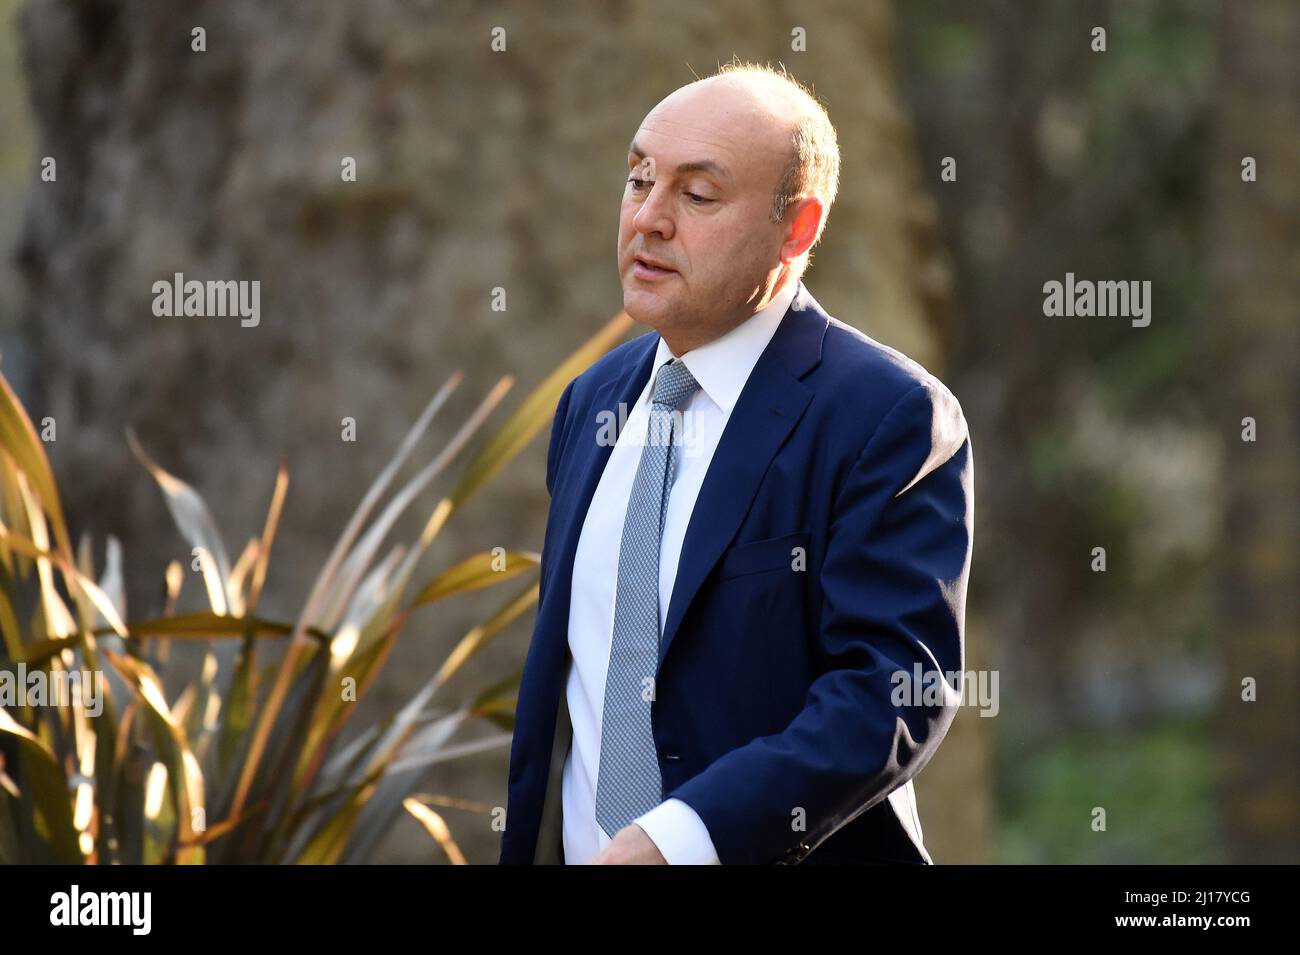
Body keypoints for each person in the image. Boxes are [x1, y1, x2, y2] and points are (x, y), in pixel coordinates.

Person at [499, 61, 974, 865]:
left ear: (798, 228)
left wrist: (678, 840)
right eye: (639, 178)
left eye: (696, 194)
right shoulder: (592, 402)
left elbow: (890, 691)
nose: (648, 218)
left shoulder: (885, 415)